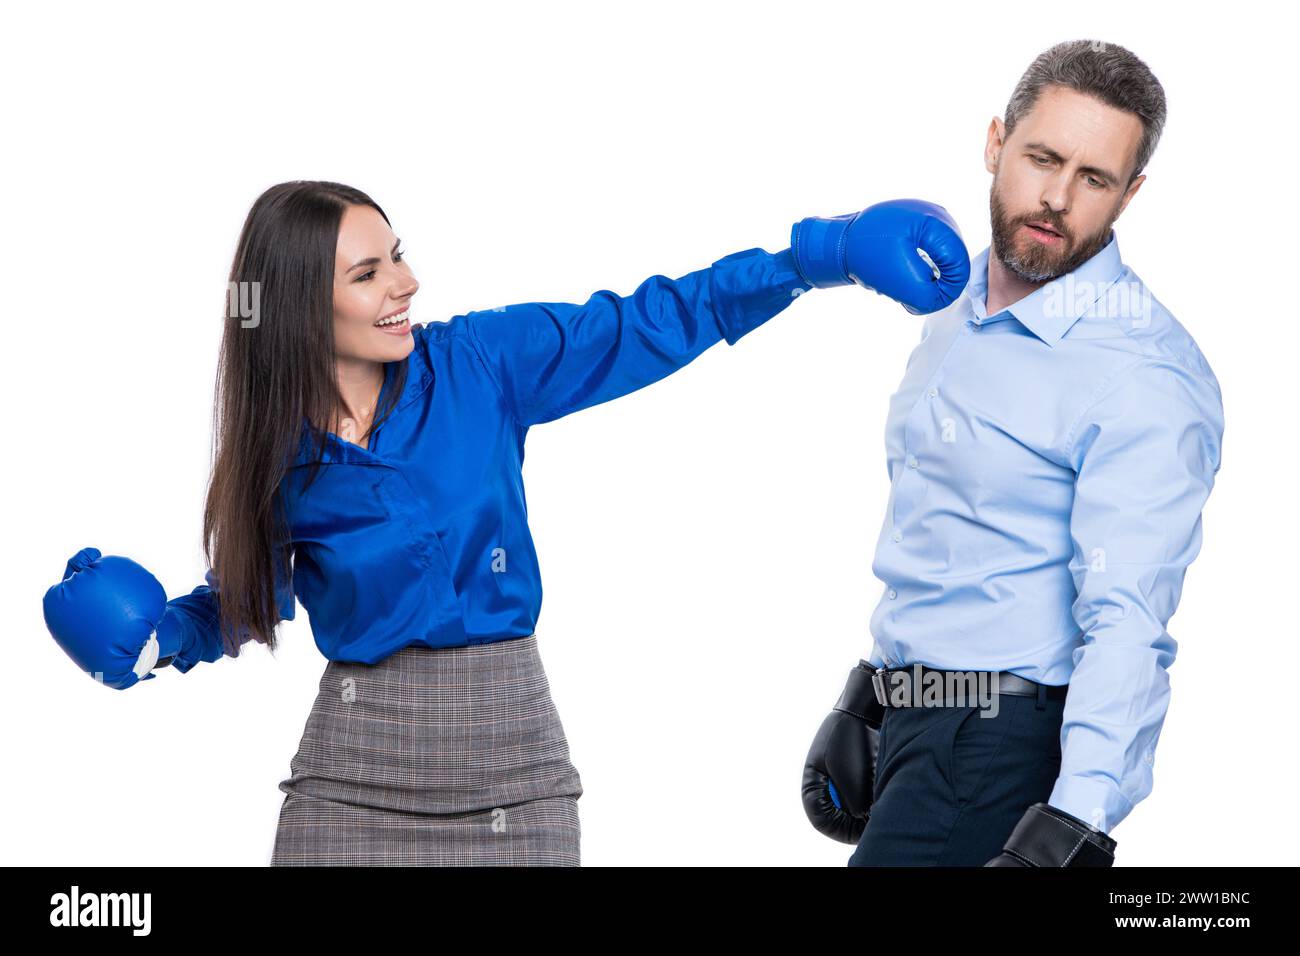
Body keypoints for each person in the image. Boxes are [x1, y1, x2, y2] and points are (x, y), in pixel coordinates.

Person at [44, 182, 969, 866]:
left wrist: (818, 255)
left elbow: (651, 321)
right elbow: (247, 603)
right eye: (370, 273)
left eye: (398, 253)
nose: (408, 282)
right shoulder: (277, 455)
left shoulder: (480, 363)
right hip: (349, 775)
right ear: (295, 305)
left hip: (508, 761)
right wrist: (163, 638)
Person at [803, 38, 1224, 867]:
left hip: (999, 748)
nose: (1057, 198)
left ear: (1129, 194)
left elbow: (1129, 621)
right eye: (1042, 158)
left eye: (1095, 179)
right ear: (996, 142)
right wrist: (872, 693)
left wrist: (1075, 824)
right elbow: (953, 527)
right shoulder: (957, 297)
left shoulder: (1144, 373)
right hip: (917, 717)